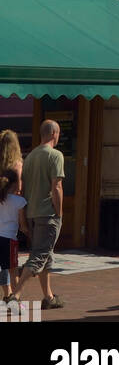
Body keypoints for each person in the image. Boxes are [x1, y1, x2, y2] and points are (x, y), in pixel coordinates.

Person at [12, 119, 64, 309]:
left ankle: (48, 297)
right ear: (53, 134)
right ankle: (15, 294)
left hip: (33, 213)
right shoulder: (55, 155)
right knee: (39, 256)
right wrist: (59, 213)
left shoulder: (31, 156)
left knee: (45, 255)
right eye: (58, 134)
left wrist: (23, 218)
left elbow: (22, 190)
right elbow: (57, 186)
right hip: (47, 214)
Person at [0, 168, 27, 299]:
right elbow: (23, 226)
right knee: (13, 272)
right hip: (9, 239)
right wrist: (31, 235)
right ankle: (15, 300)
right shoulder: (19, 201)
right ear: (16, 183)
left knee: (2, 270)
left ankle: (7, 295)